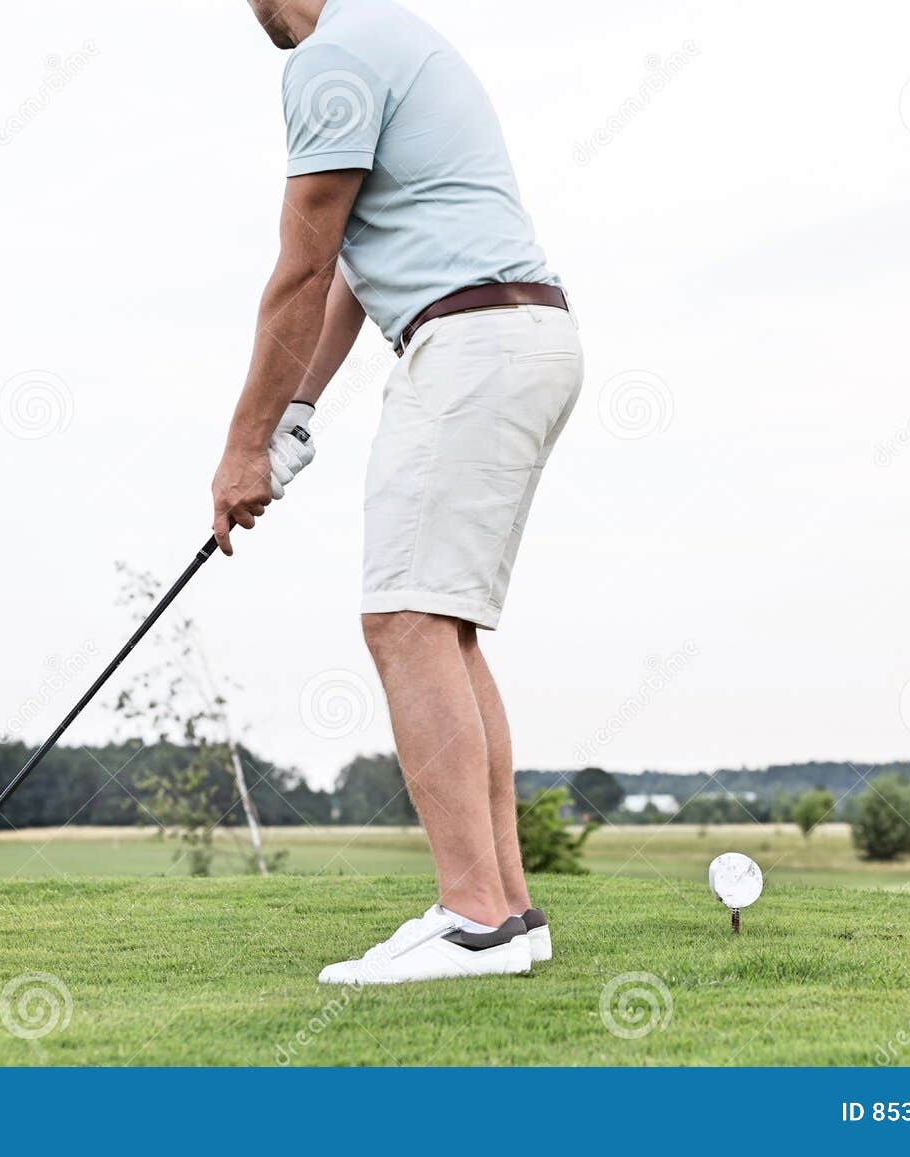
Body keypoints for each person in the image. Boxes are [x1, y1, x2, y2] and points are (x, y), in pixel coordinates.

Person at [215, 0, 582, 984]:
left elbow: (299, 272)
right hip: (522, 334)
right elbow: (344, 269)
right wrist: (294, 412)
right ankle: (510, 910)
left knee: (404, 620)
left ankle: (472, 918)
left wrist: (242, 449)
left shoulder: (326, 60)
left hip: (468, 343)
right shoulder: (388, 34)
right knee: (442, 625)